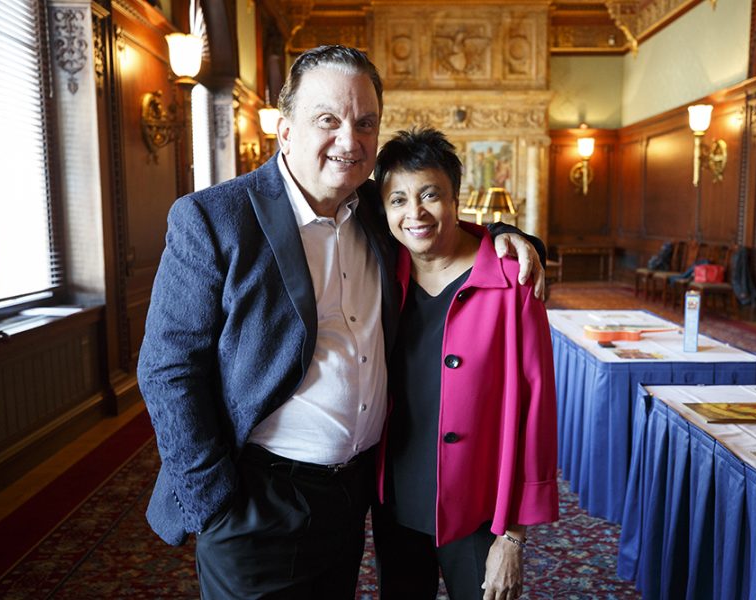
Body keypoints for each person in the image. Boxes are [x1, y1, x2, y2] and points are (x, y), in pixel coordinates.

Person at [137, 45, 544, 599]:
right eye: (327, 120)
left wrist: (508, 235)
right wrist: (215, 501)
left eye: (365, 122)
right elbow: (167, 369)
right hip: (255, 501)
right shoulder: (213, 218)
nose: (349, 140)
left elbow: (435, 223)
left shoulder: (376, 212)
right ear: (285, 130)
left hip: (354, 496)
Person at [371, 128, 558, 600]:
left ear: (457, 199)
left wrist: (512, 535)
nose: (414, 213)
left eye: (430, 195)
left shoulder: (511, 282)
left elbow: (537, 410)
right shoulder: (378, 273)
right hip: (395, 503)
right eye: (397, 199)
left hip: (479, 509)